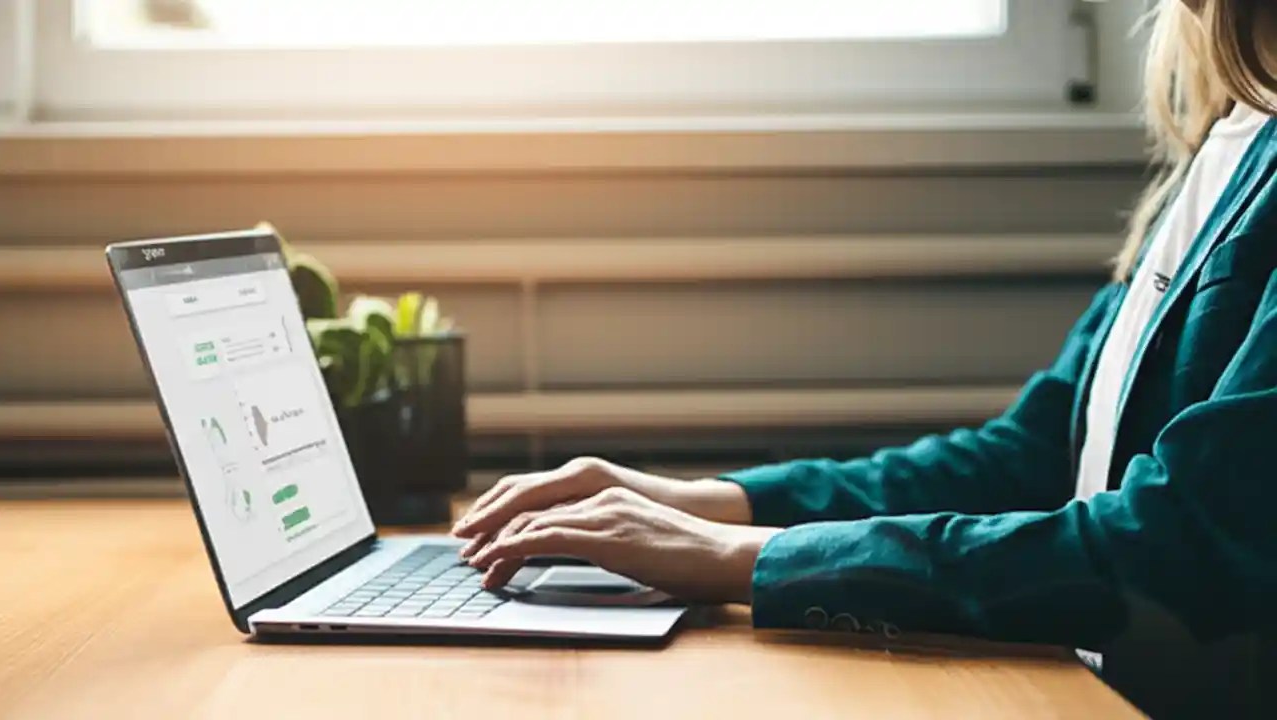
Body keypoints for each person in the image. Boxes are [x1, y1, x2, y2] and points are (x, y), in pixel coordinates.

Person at [454, 0, 1277, 714]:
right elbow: (1026, 458)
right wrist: (705, 504)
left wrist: (741, 560)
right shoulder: (1230, 136)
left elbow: (1176, 541)